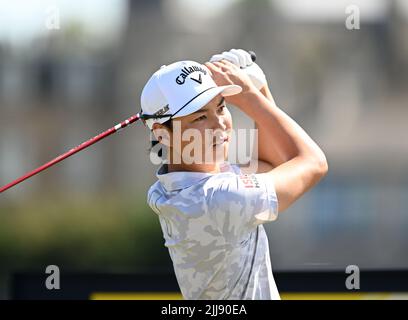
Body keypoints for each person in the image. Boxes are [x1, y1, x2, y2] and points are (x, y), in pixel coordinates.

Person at [140, 49, 328, 300]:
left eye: (220, 108)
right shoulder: (219, 198)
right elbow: (314, 163)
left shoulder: (169, 188)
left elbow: (270, 164)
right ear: (162, 134)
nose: (219, 124)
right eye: (200, 117)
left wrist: (259, 89)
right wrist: (251, 97)